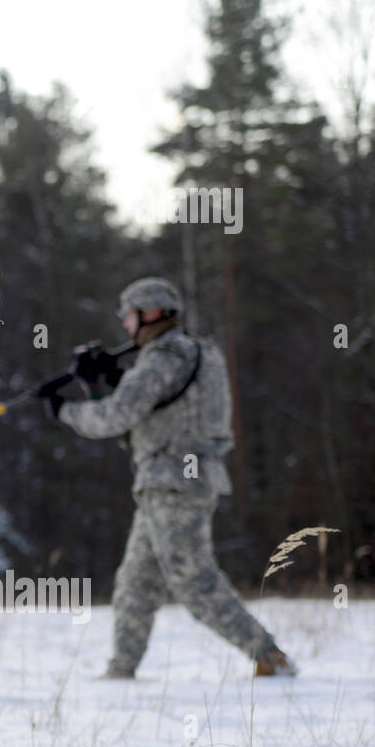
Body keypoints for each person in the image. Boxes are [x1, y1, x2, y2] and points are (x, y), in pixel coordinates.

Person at [48, 277, 297, 678]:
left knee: (192, 578)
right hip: (169, 482)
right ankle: (121, 670)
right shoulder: (197, 352)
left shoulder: (163, 357)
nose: (126, 328)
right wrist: (111, 381)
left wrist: (67, 412)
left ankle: (269, 656)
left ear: (149, 315)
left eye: (130, 318)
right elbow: (164, 412)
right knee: (135, 582)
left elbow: (117, 417)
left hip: (173, 481)